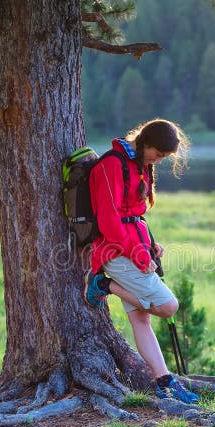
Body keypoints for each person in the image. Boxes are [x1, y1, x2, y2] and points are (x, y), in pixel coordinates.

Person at [83, 118, 199, 404]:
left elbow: (133, 215)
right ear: (145, 143)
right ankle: (104, 284)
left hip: (134, 248)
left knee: (141, 319)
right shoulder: (112, 165)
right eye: (158, 155)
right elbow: (110, 221)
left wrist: (149, 245)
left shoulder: (139, 165)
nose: (158, 161)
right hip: (115, 252)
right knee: (169, 306)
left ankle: (164, 383)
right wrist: (136, 251)